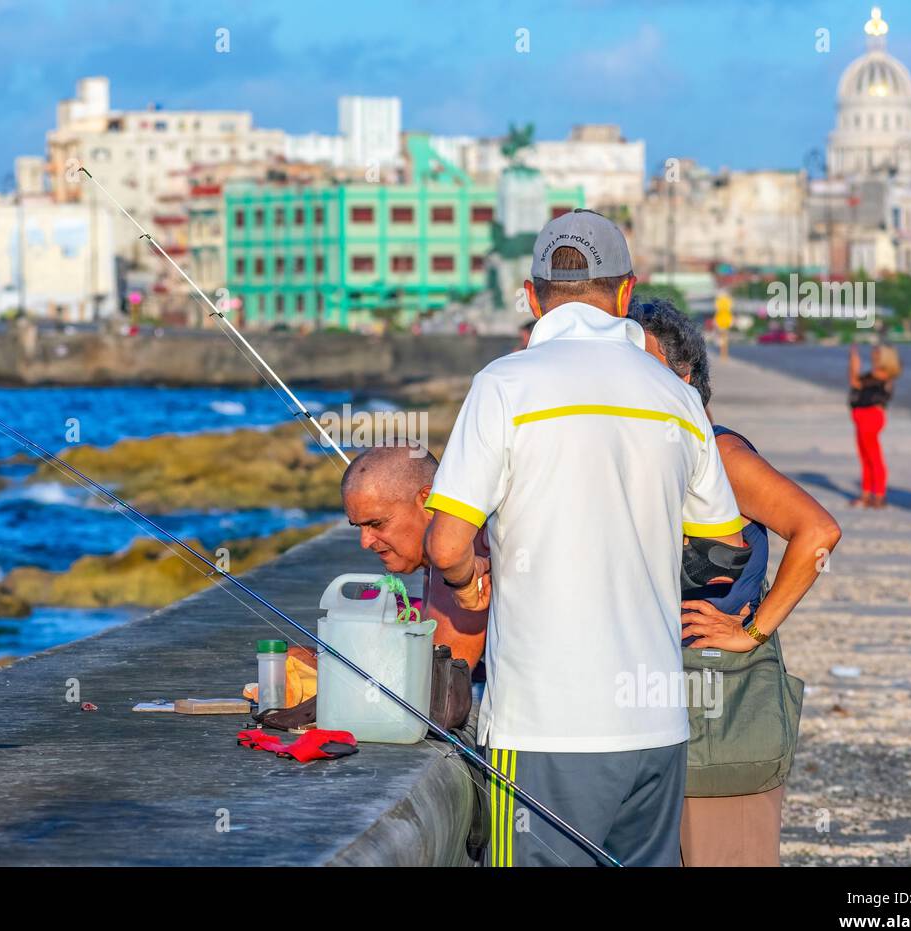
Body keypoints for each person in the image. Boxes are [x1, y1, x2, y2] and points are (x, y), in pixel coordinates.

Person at [423, 209, 746, 867]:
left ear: (534, 294)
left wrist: (469, 582)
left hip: (547, 724)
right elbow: (722, 549)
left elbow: (445, 544)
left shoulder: (504, 387)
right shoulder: (676, 396)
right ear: (626, 293)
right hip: (655, 725)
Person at [631, 298, 842, 866]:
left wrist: (752, 630)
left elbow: (817, 531)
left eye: (640, 363)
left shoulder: (719, 453)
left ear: (685, 375)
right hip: (646, 709)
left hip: (720, 704)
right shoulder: (641, 460)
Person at [340, 444, 487, 668]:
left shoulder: (461, 550)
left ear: (427, 501)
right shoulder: (439, 553)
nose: (365, 541)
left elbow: (437, 676)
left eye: (376, 523)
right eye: (358, 526)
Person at [848, 342, 902, 508]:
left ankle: (878, 494)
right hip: (861, 416)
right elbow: (855, 381)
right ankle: (867, 494)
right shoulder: (874, 374)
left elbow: (857, 382)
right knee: (865, 456)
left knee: (873, 456)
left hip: (871, 416)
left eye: (877, 353)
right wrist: (854, 362)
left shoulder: (884, 375)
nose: (874, 356)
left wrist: (855, 366)